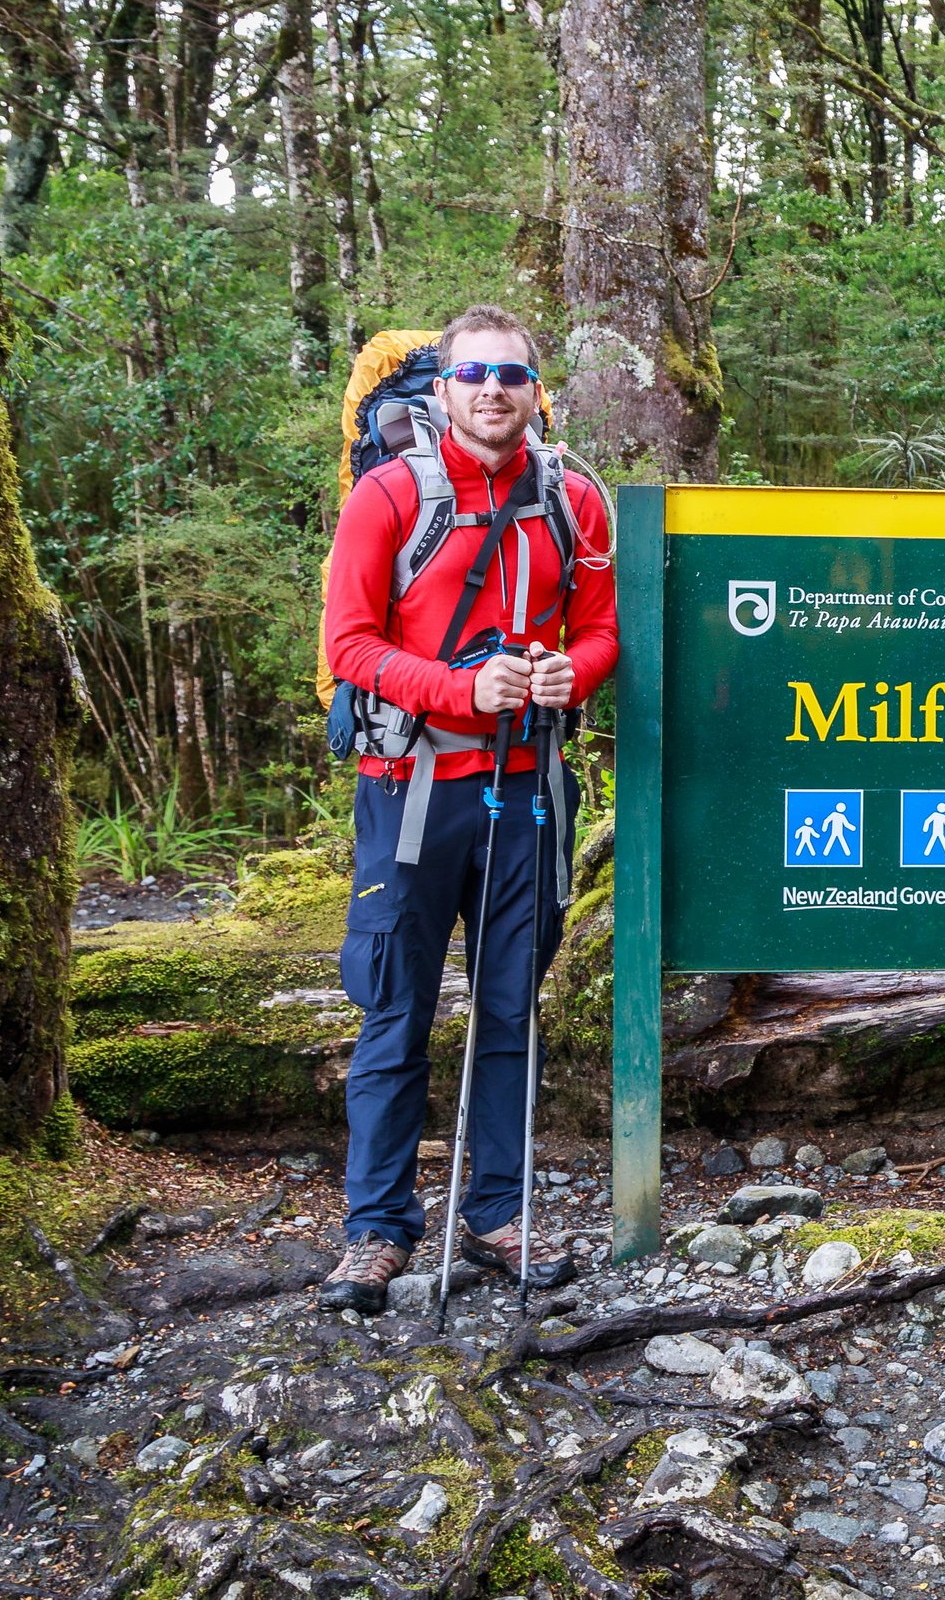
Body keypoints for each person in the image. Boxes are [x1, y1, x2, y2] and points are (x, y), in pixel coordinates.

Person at [315, 305, 617, 1315]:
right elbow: (350, 645)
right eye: (473, 373)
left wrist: (563, 678)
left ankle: (497, 1217)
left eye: (512, 375)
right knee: (394, 1010)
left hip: (528, 792)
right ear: (442, 389)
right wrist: (459, 691)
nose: (493, 389)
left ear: (537, 392)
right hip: (408, 796)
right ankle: (375, 1232)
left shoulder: (574, 498)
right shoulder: (388, 497)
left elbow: (602, 631)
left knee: (509, 1013)